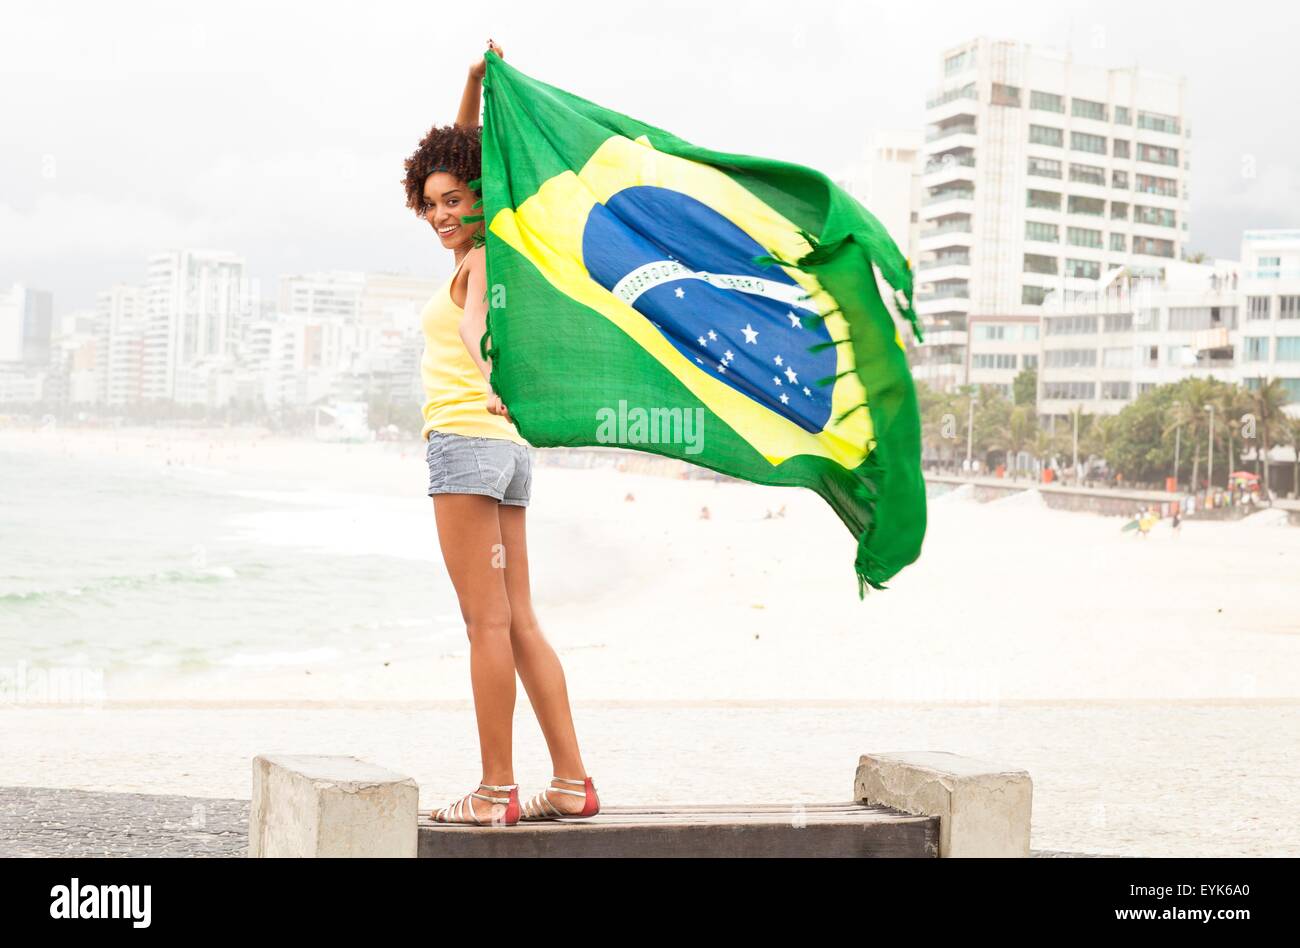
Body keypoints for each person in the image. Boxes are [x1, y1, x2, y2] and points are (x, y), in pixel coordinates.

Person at [405, 40, 598, 826]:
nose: (446, 212)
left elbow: (481, 326)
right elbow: (462, 157)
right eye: (433, 202)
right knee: (518, 621)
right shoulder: (499, 246)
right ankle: (573, 783)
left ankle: (495, 792)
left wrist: (487, 378)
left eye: (459, 198)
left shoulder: (480, 262)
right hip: (509, 455)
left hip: (466, 445)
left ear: (481, 198)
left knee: (485, 625)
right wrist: (472, 85)